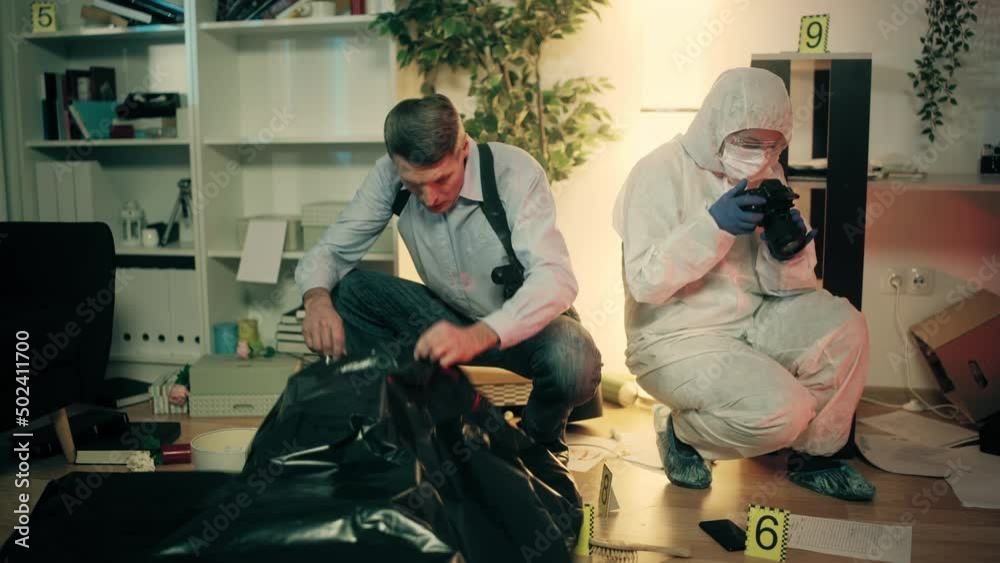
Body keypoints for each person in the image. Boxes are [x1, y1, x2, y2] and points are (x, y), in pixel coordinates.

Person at [613, 68, 874, 501]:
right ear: (717, 123)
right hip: (677, 336)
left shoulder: (769, 171)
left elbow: (787, 289)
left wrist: (787, 253)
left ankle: (813, 456)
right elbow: (645, 282)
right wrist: (713, 227)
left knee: (847, 327)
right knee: (784, 411)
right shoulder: (656, 172)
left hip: (754, 317)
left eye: (773, 144)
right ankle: (683, 433)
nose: (762, 155)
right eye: (750, 143)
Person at [295, 94, 602, 459]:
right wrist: (315, 299)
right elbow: (331, 251)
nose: (429, 197)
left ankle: (536, 445)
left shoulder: (514, 172)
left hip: (517, 327)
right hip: (447, 318)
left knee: (575, 359)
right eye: (414, 184)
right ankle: (394, 431)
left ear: (463, 148)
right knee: (348, 290)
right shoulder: (388, 176)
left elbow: (556, 279)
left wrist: (479, 335)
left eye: (441, 179)